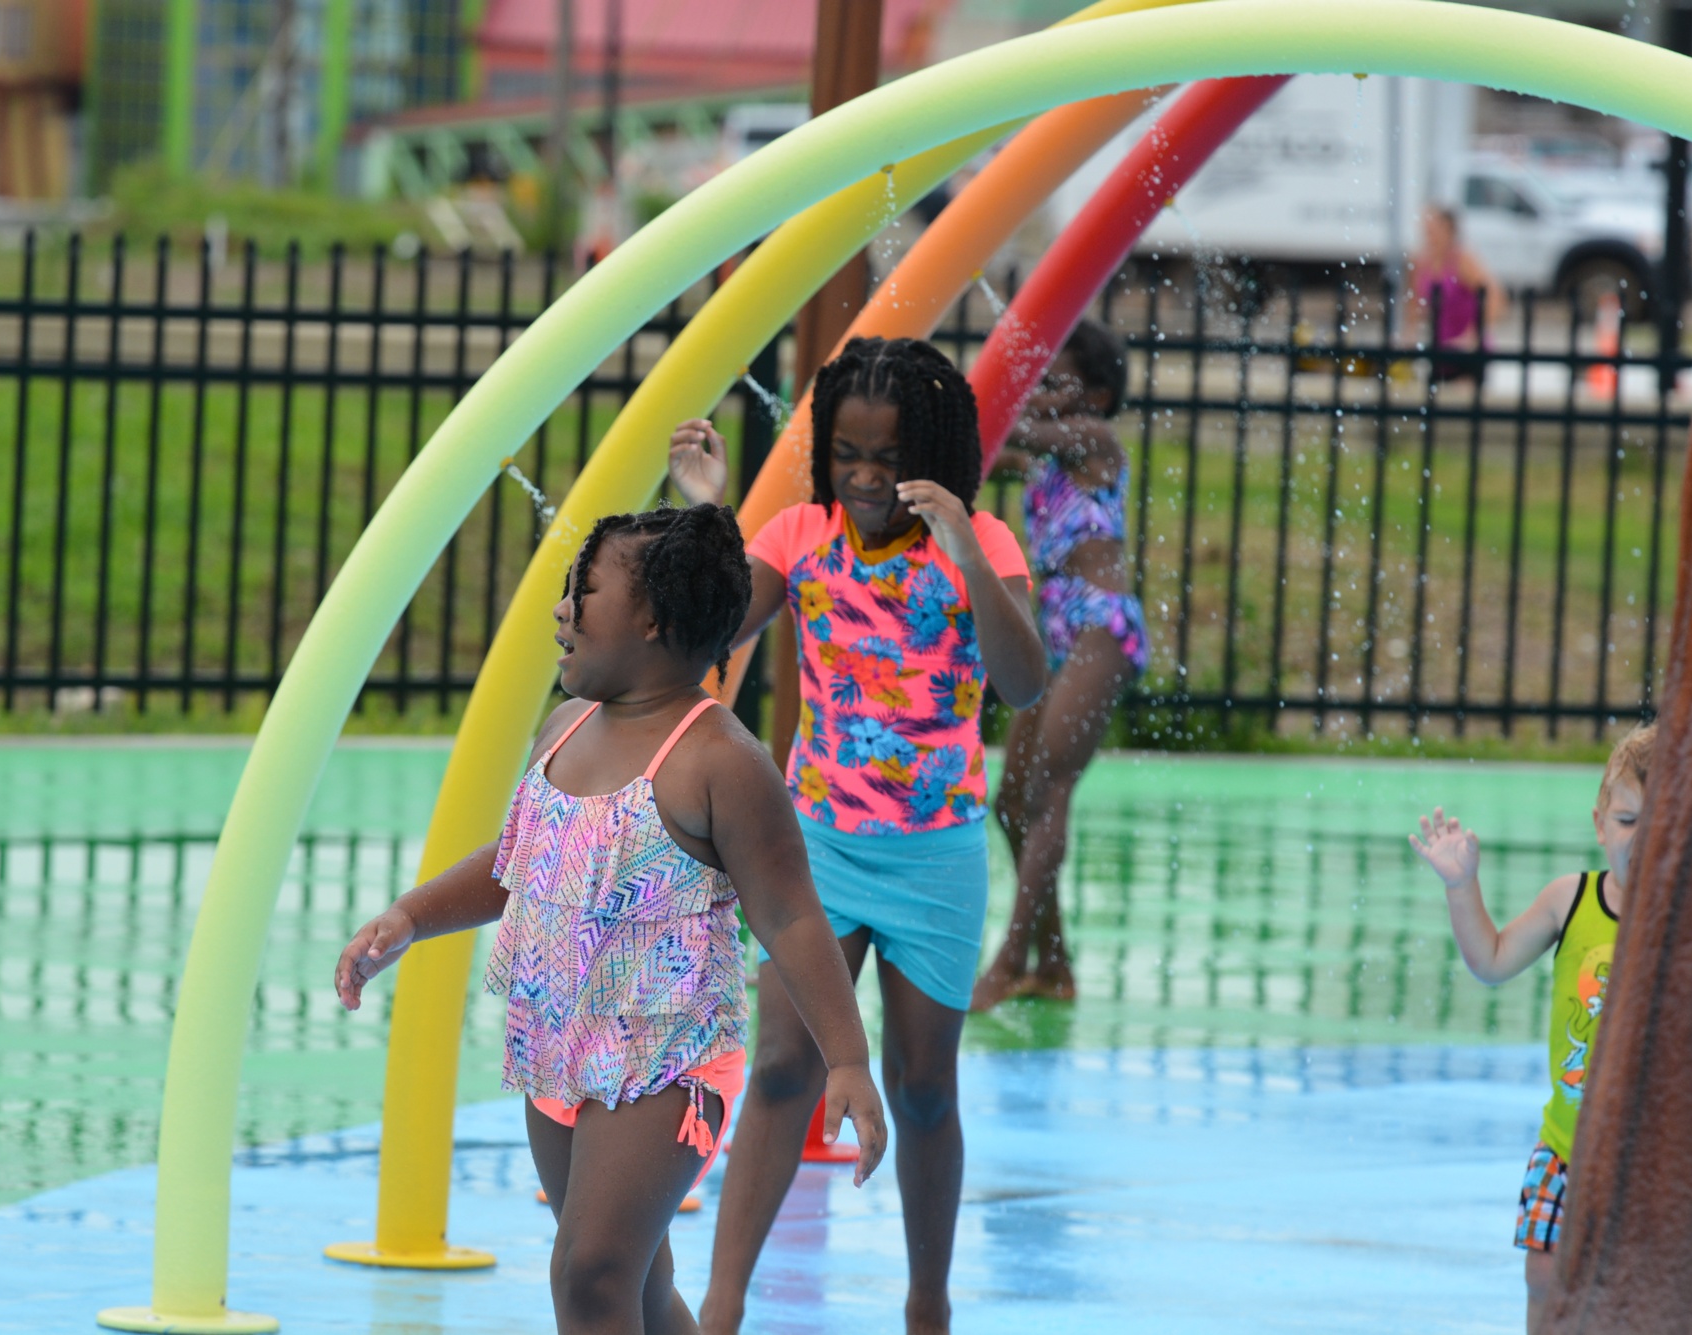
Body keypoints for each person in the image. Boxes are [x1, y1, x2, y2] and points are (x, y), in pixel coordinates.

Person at [334, 504, 887, 1335]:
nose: (562, 609)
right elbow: (517, 863)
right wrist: (410, 916)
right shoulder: (565, 730)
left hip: (670, 1064)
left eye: (583, 591)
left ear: (654, 620)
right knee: (631, 1277)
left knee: (589, 1273)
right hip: (556, 1048)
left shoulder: (720, 761)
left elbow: (794, 919)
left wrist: (845, 1059)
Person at [668, 337, 1046, 1335]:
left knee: (922, 1088)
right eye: (847, 455)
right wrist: (711, 511)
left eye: (887, 457)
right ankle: (721, 1304)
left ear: (935, 455)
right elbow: (709, 635)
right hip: (815, 852)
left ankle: (926, 1298)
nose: (867, 478)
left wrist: (964, 547)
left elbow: (1024, 681)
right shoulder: (797, 534)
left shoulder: (985, 546)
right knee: (783, 1068)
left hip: (934, 856)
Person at [1408, 723, 1655, 1335]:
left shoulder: (1690, 914)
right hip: (1567, 1144)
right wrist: (1462, 887)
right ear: (1599, 823)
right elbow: (1490, 961)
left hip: (1658, 1156)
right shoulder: (1569, 900)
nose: (1643, 838)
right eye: (1627, 821)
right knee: (1543, 1274)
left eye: (1664, 821)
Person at [973, 320, 1146, 1009]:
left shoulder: (1096, 442)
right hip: (1055, 625)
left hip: (1103, 626)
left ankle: (1012, 958)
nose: (1043, 391)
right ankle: (1056, 961)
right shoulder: (1048, 456)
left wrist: (1008, 397)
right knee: (1010, 801)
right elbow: (991, 450)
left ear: (1098, 394)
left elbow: (1015, 429)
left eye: (1059, 380)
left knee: (1046, 786)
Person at [1410, 205, 1506, 382]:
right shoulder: (1421, 262)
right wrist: (1408, 338)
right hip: (1440, 350)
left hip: (1468, 352)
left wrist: (1472, 335)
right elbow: (1414, 305)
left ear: (1448, 229)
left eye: (1432, 229)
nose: (1427, 234)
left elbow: (1495, 297)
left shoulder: (1463, 260)